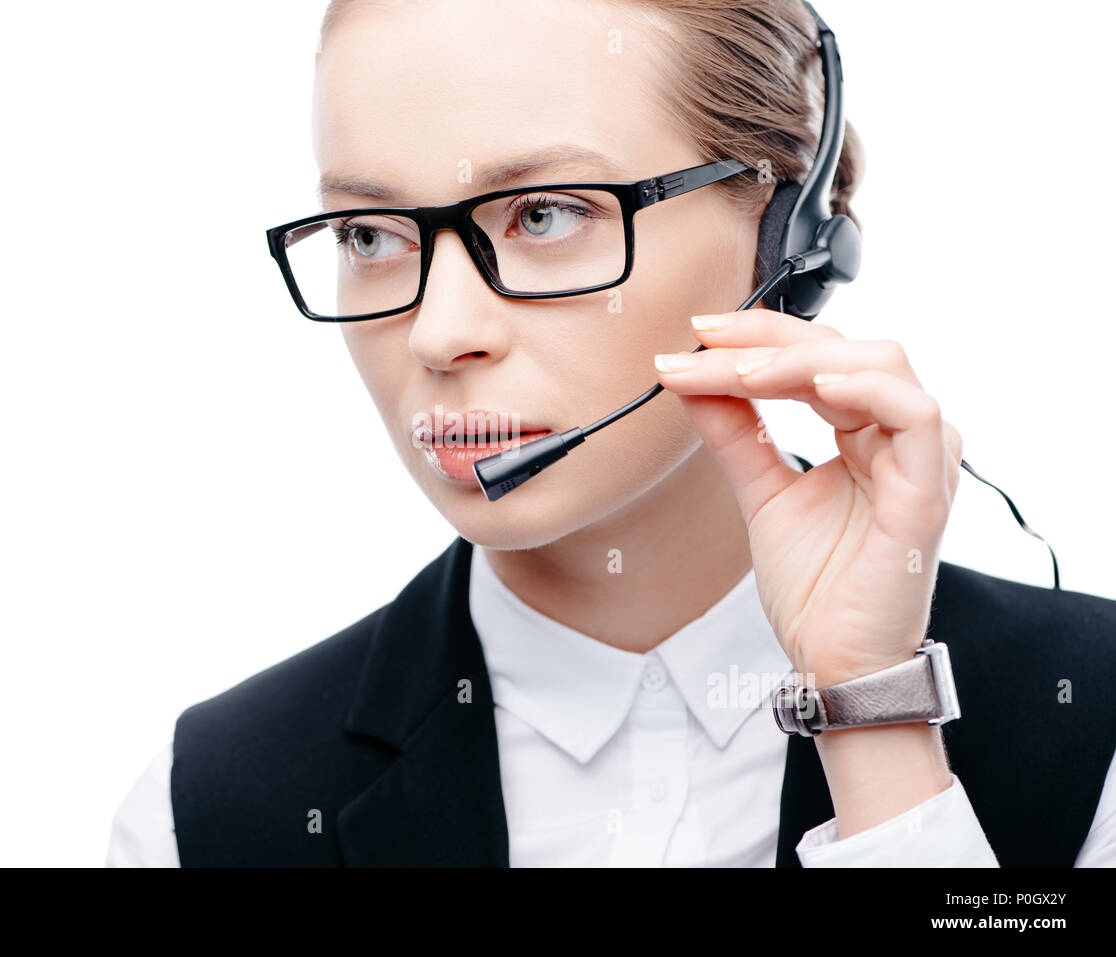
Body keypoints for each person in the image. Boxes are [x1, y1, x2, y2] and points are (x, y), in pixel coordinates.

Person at [106, 0, 1116, 867]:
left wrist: (872, 712)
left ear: (786, 236)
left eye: (543, 214)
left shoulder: (1093, 730)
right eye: (371, 236)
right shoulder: (207, 812)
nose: (438, 332)